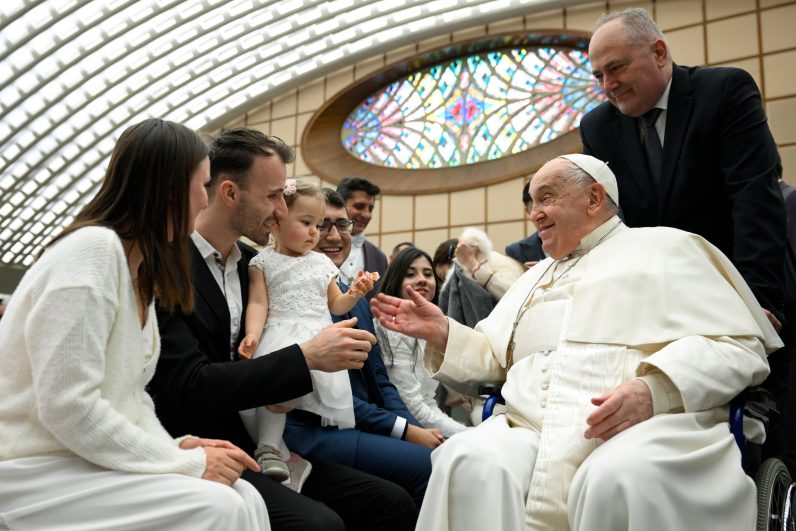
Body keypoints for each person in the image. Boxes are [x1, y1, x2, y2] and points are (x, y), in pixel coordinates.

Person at [371, 154, 782, 531]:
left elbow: (737, 347)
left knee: (621, 476)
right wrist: (443, 331)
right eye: (531, 203)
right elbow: (494, 357)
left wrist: (653, 389)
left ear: (594, 197)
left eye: (546, 198)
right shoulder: (532, 278)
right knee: (468, 461)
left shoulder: (670, 247)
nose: (534, 214)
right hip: (531, 426)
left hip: (650, 422)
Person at [0, 119, 267, 530]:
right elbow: (67, 406)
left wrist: (174, 448)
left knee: (244, 494)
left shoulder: (138, 271)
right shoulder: (92, 251)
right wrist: (180, 461)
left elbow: (131, 401)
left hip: (77, 459)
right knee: (219, 507)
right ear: (169, 189)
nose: (204, 199)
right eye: (202, 184)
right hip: (32, 467)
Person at [150, 128, 418, 531]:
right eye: (273, 195)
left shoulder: (252, 264)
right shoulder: (167, 267)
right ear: (229, 193)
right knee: (319, 524)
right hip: (200, 443)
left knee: (390, 502)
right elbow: (190, 384)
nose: (282, 209)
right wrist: (306, 357)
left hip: (266, 438)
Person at [580, 5, 794, 472]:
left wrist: (761, 305)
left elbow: (754, 200)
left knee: (770, 432)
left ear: (658, 52)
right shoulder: (597, 127)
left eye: (616, 68)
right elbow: (612, 227)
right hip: (664, 305)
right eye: (598, 75)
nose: (608, 84)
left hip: (743, 282)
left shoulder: (724, 92)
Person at [284, 188, 436, 508]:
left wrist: (417, 428)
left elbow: (381, 381)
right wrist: (405, 431)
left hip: (358, 422)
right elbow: (324, 390)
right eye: (321, 225)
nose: (334, 236)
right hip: (315, 426)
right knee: (430, 466)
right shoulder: (296, 297)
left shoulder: (355, 296)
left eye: (342, 225)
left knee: (438, 452)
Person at [237, 180, 374, 483]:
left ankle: (278, 450)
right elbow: (258, 303)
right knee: (275, 397)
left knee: (281, 399)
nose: (316, 232)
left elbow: (336, 305)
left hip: (318, 341)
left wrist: (354, 293)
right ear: (277, 222)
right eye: (306, 222)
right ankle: (271, 449)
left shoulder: (321, 263)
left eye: (319, 224)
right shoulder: (263, 262)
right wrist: (253, 334)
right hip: (281, 337)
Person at [374, 247, 468, 438]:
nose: (422, 279)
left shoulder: (428, 327)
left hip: (422, 425)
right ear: (396, 280)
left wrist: (465, 432)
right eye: (410, 274)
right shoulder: (390, 326)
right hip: (397, 430)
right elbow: (410, 405)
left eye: (428, 273)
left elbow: (428, 401)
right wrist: (466, 434)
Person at [336, 177, 388, 297]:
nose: (367, 214)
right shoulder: (317, 245)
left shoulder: (379, 257)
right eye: (359, 206)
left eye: (370, 209)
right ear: (339, 204)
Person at [452, 226, 524, 299]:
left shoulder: (496, 260)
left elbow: (515, 294)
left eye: (462, 245)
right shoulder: (459, 267)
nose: (459, 248)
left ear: (476, 248)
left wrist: (472, 263)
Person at [505, 178, 546, 269]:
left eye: (546, 202)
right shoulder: (516, 251)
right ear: (527, 211)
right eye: (533, 208)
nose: (539, 215)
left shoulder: (580, 241)